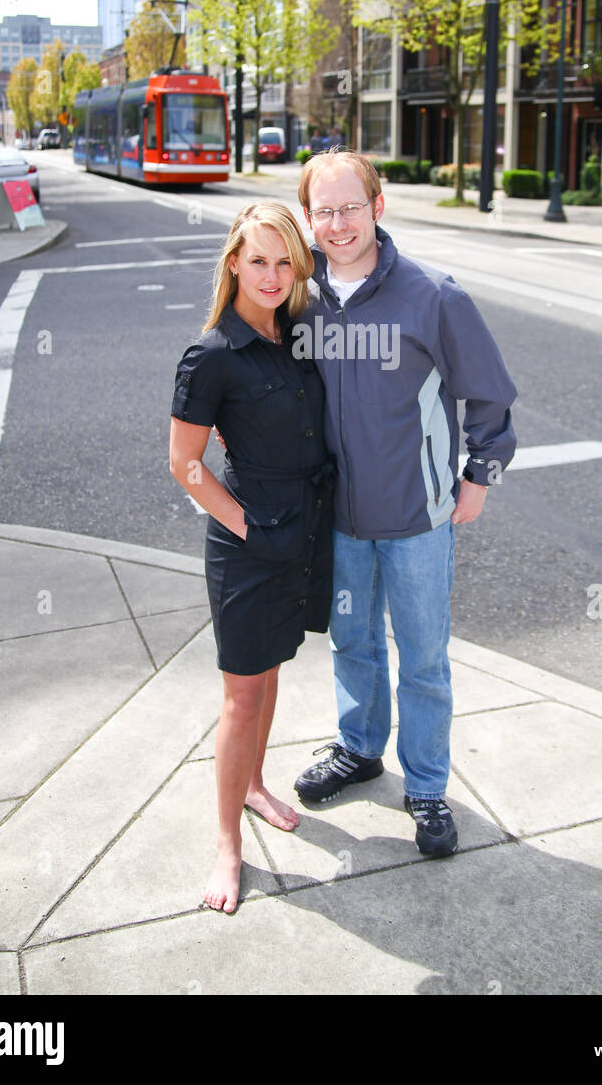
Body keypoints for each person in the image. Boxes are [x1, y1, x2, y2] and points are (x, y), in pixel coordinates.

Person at [291, 151, 517, 857]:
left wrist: (478, 476)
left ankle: (426, 787)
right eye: (323, 210)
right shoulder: (301, 298)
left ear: (377, 206)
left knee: (423, 659)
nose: (338, 223)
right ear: (309, 218)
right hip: (340, 521)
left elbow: (489, 392)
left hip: (419, 517)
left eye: (350, 206)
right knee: (353, 643)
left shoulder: (433, 295)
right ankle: (360, 749)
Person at [169, 202, 335, 913]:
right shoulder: (212, 355)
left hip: (305, 528)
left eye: (284, 261)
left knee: (269, 678)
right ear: (233, 261)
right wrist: (248, 527)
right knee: (241, 695)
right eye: (258, 259)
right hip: (247, 544)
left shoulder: (301, 333)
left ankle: (257, 784)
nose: (271, 274)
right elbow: (185, 464)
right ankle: (227, 844)